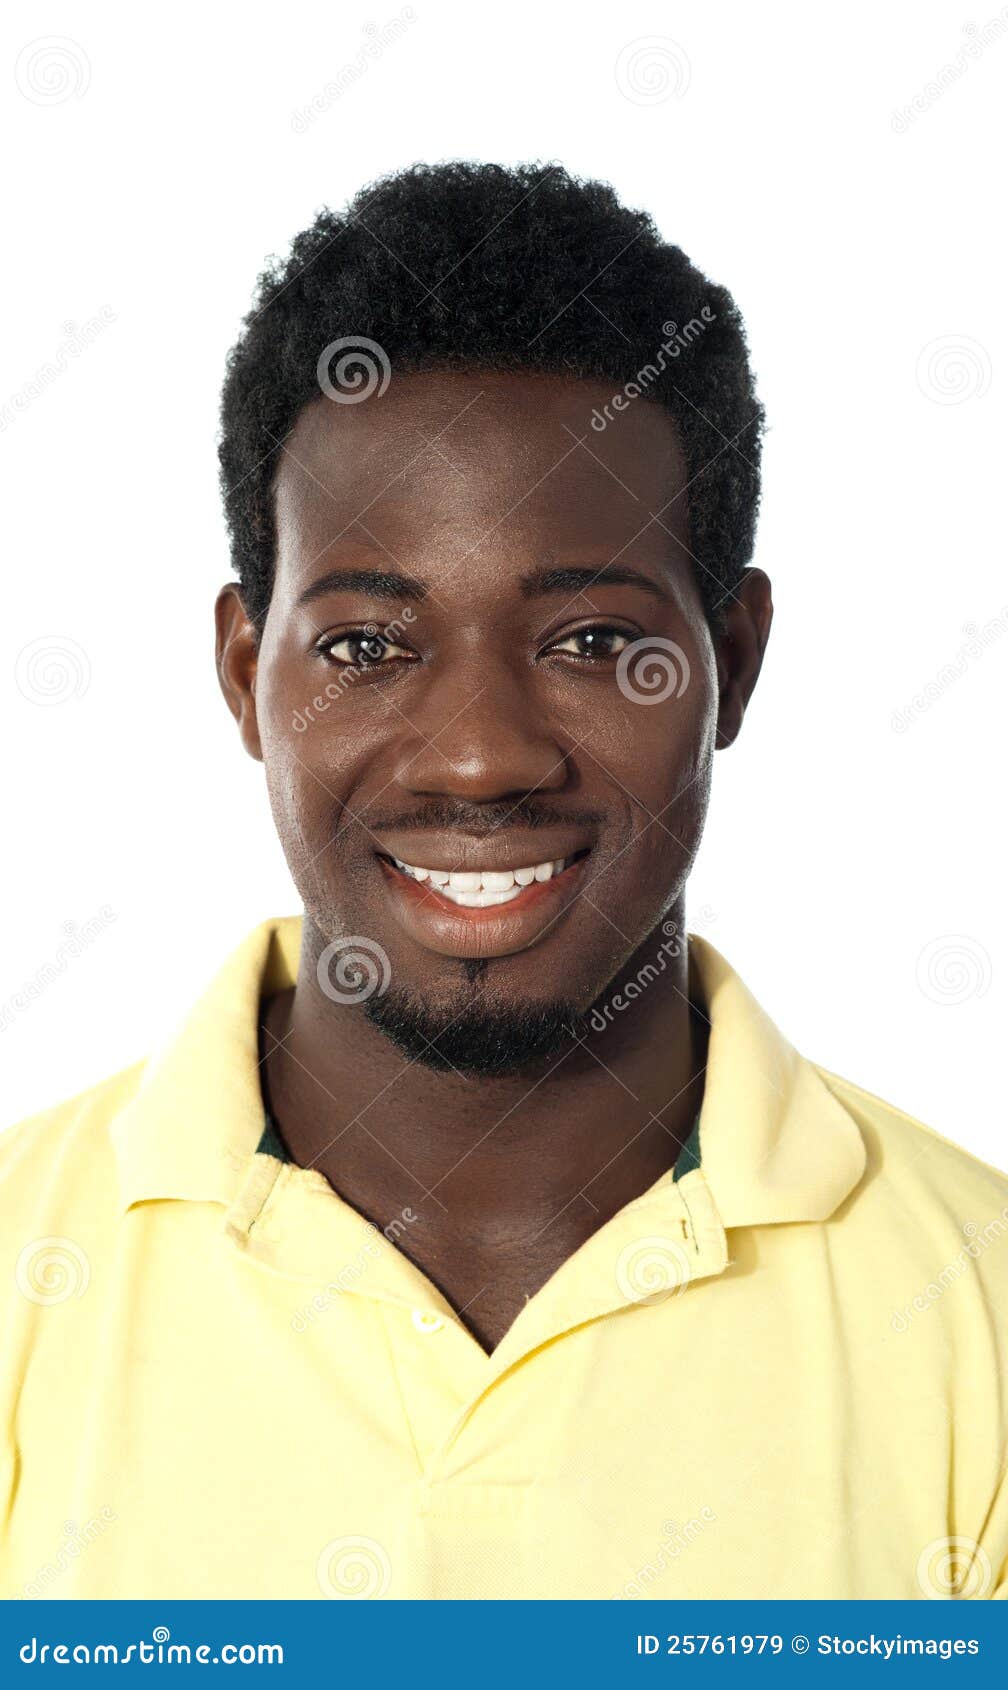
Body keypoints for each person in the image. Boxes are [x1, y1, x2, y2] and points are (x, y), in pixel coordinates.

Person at [3, 162, 1006, 1602]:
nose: (480, 758)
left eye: (595, 640)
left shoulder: (980, 1319)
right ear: (243, 675)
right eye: (364, 644)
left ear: (737, 661)